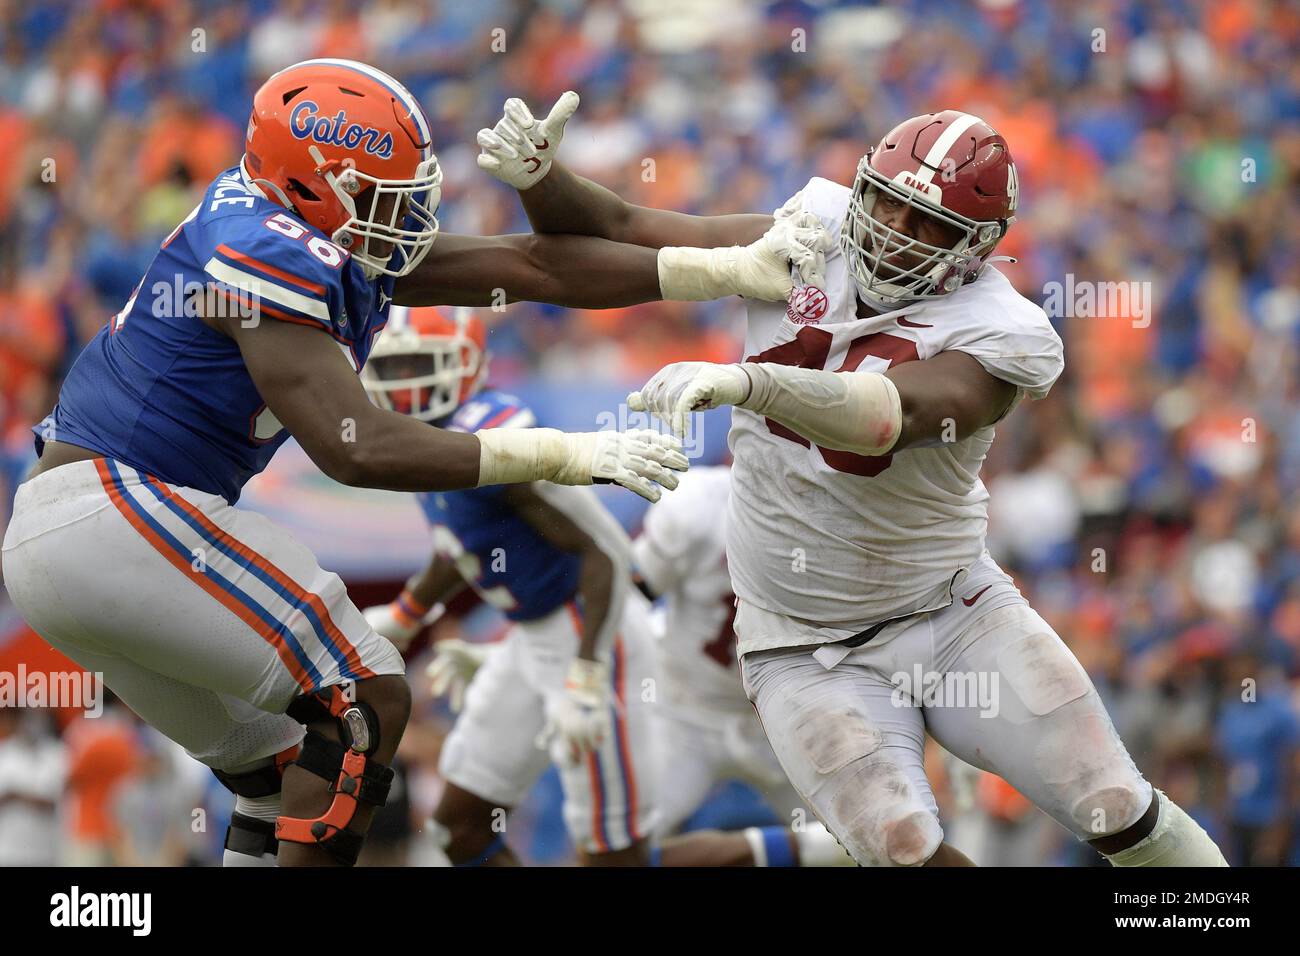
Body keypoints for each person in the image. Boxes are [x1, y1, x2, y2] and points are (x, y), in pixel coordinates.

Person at [0, 59, 823, 867]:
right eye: (380, 195)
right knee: (365, 692)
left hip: (64, 542)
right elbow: (360, 447)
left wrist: (722, 265)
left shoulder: (297, 233)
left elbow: (532, 266)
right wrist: (566, 453)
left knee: (281, 770)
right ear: (314, 185)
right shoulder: (267, 247)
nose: (407, 213)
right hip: (112, 510)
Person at [478, 93, 1227, 866]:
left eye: (928, 225)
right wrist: (541, 178)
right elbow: (627, 229)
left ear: (978, 248)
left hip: (953, 612)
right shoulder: (811, 229)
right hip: (800, 643)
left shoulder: (1004, 329)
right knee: (903, 846)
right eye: (887, 205)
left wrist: (749, 383)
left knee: (1113, 803)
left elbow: (893, 415)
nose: (895, 233)